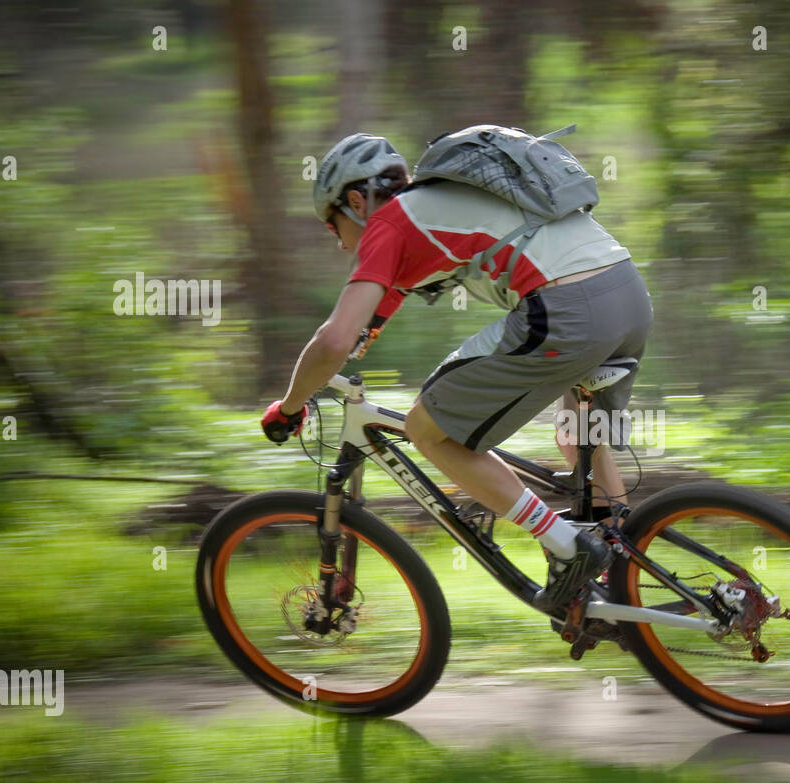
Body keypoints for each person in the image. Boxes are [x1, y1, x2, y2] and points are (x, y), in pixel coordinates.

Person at [260, 132, 653, 613]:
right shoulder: (434, 208)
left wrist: (291, 406)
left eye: (332, 224)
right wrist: (340, 353)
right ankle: (624, 586)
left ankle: (567, 546)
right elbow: (361, 330)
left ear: (357, 202)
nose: (339, 243)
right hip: (627, 292)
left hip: (566, 308)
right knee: (578, 438)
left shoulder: (389, 223)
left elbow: (335, 341)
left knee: (428, 430)